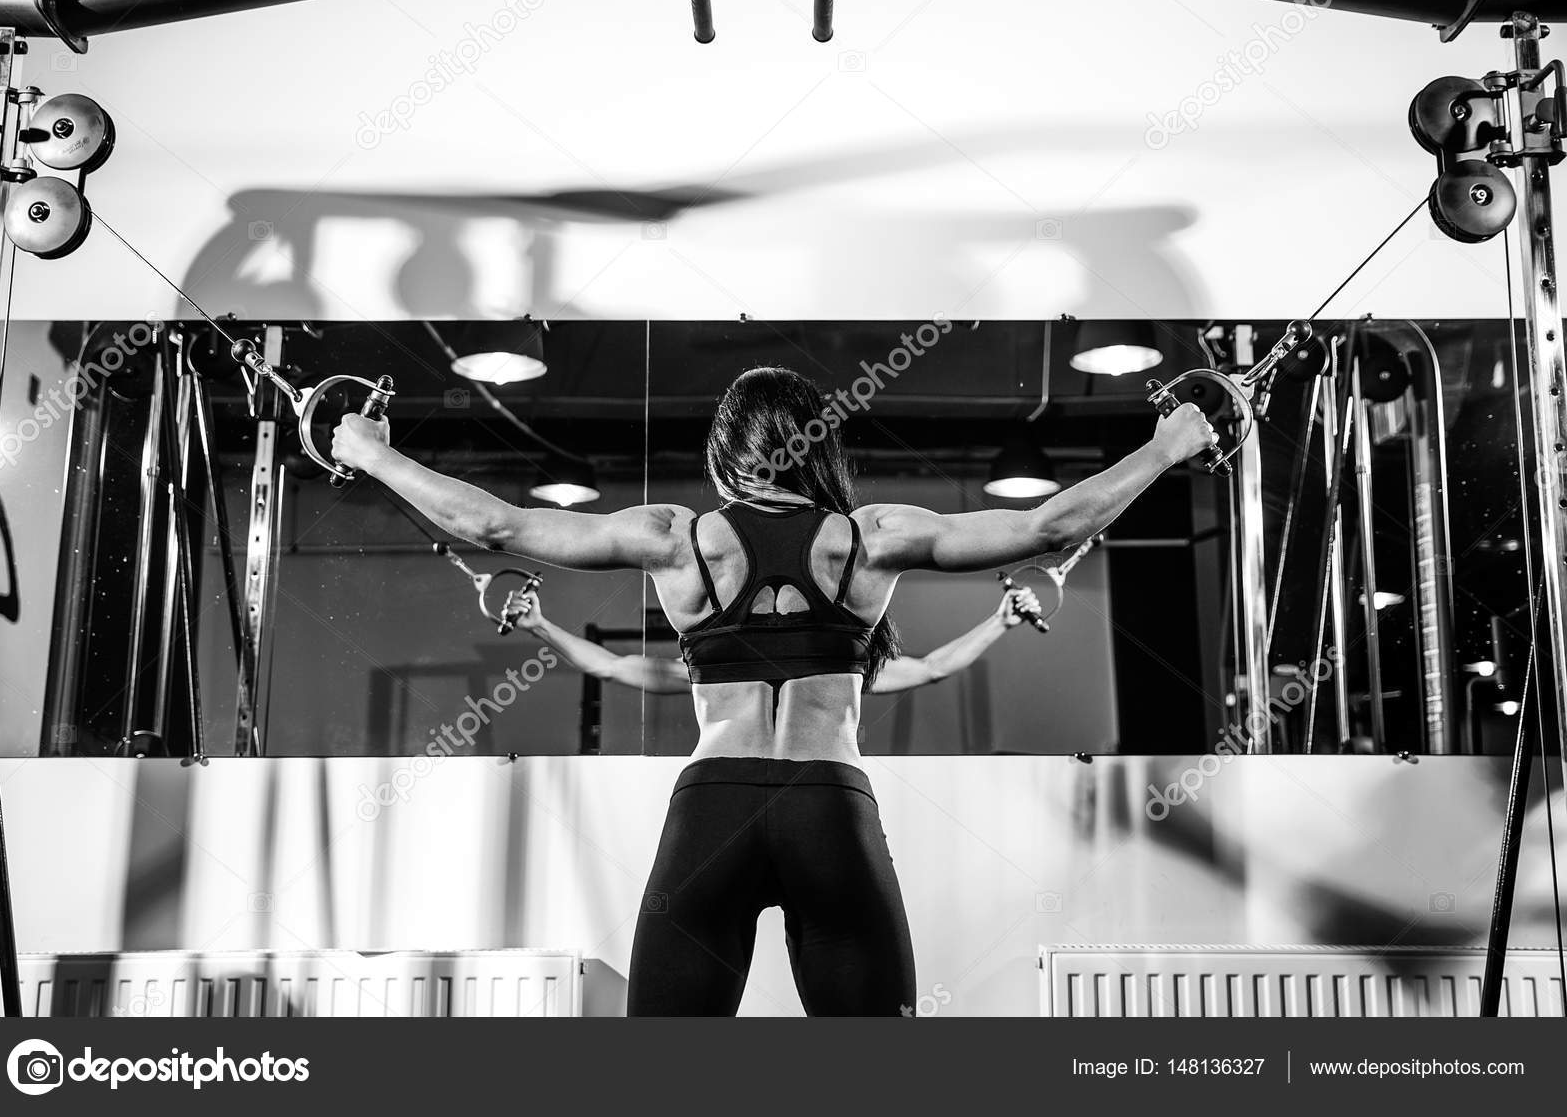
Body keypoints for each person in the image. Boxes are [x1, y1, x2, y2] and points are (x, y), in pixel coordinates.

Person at [331, 364, 1216, 1017]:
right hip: (829, 808)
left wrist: (372, 452)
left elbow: (493, 524)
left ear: (724, 455)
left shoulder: (677, 538)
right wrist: (1169, 443)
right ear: (819, 448)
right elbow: (1052, 523)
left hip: (711, 812)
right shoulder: (870, 536)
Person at [499, 587, 1043, 696]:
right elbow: (612, 667)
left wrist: (1000, 622)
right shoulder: (719, 671)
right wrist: (541, 626)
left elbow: (931, 668)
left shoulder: (840, 669)